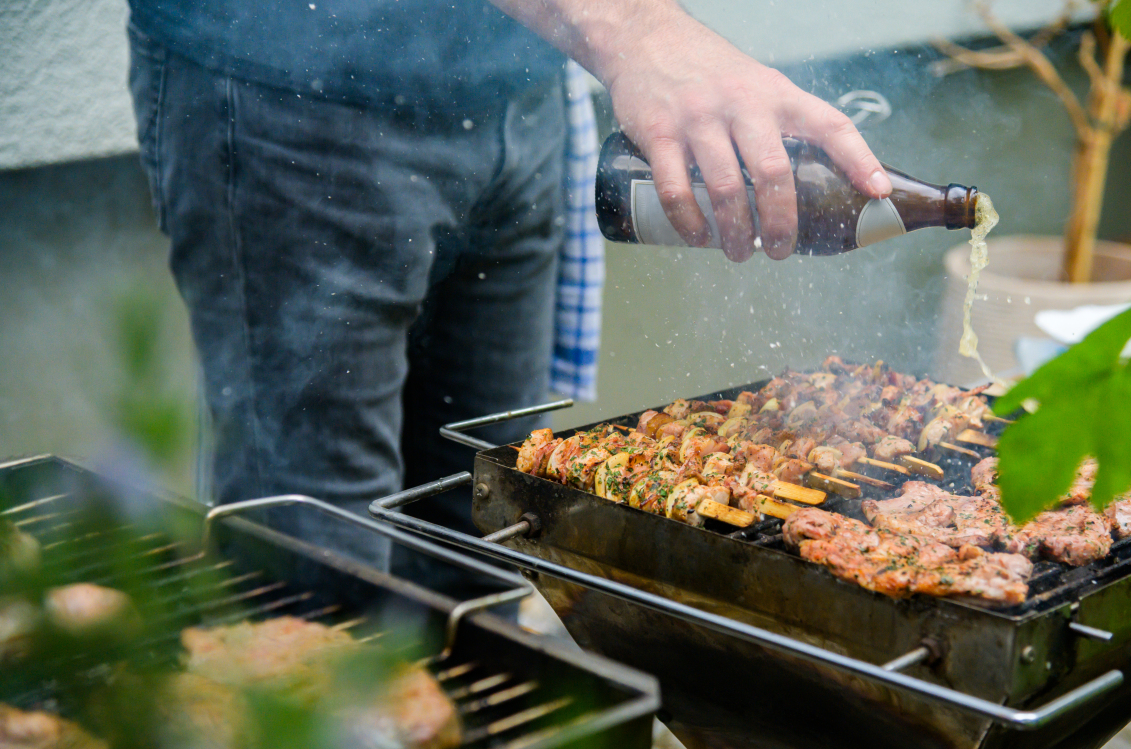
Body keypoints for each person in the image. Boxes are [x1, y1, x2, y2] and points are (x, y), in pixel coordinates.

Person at [125, 0, 891, 579]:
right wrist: (635, 27)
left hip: (514, 81)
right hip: (291, 95)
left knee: (485, 527)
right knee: (318, 562)